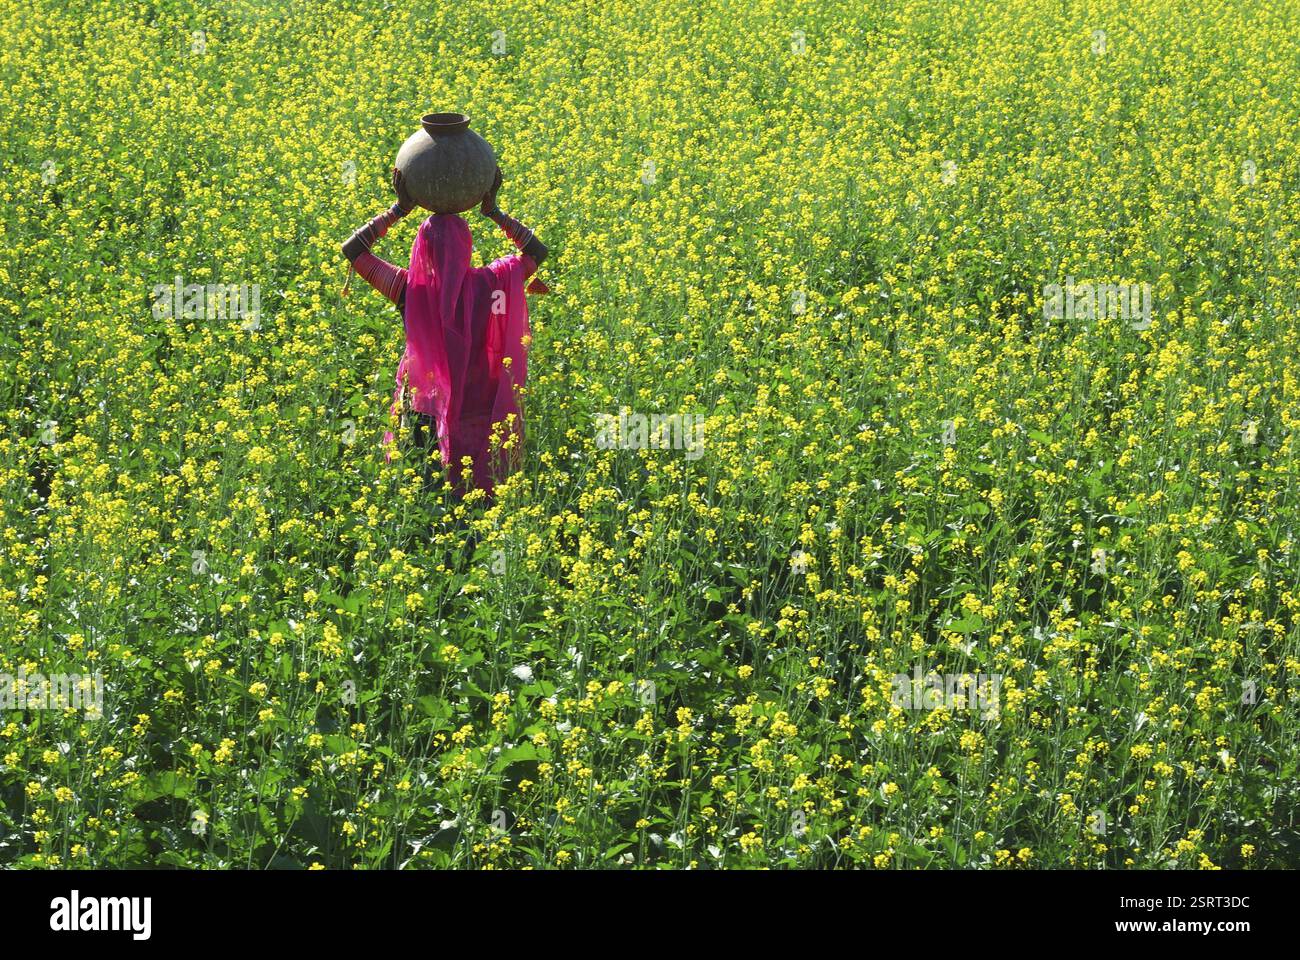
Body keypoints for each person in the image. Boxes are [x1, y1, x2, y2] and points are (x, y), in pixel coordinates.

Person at [341, 166, 548, 496]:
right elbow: (537, 252)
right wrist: (493, 211)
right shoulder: (493, 283)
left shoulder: (406, 288)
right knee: (482, 491)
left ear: (422, 250)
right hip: (481, 401)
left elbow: (352, 250)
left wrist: (399, 209)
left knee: (427, 489)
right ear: (467, 246)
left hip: (427, 402)